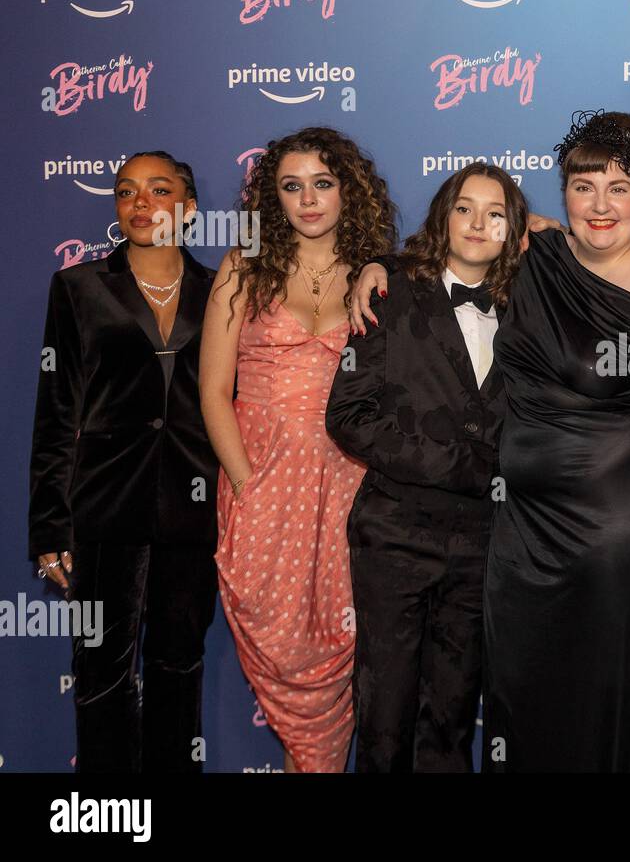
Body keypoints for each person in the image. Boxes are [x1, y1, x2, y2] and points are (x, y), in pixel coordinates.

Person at [351, 112, 630, 771]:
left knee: (594, 714)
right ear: (562, 192)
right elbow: (456, 246)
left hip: (613, 549)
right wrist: (378, 265)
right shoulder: (540, 254)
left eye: (619, 187)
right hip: (518, 541)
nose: (600, 205)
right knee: (522, 707)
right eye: (583, 186)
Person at [200, 126, 396, 772]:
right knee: (284, 644)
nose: (308, 199)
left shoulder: (376, 273)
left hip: (348, 484)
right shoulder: (244, 265)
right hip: (264, 481)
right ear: (272, 197)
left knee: (341, 647)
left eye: (323, 183)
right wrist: (246, 484)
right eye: (292, 186)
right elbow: (211, 391)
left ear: (348, 190)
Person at [326, 164, 528, 772]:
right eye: (464, 208)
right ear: (443, 215)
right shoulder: (390, 290)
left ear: (514, 231)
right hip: (394, 534)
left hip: (482, 544)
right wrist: (453, 464)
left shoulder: (529, 308)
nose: (476, 224)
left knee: (452, 713)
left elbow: (590, 236)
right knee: (384, 713)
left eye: (495, 214)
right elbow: (348, 414)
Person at [29, 151, 218, 772]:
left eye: (158, 190)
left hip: (195, 508)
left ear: (187, 210)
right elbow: (57, 411)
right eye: (126, 191)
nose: (140, 203)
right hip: (102, 507)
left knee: (178, 665)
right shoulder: (77, 287)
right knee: (100, 672)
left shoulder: (222, 290)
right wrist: (50, 526)